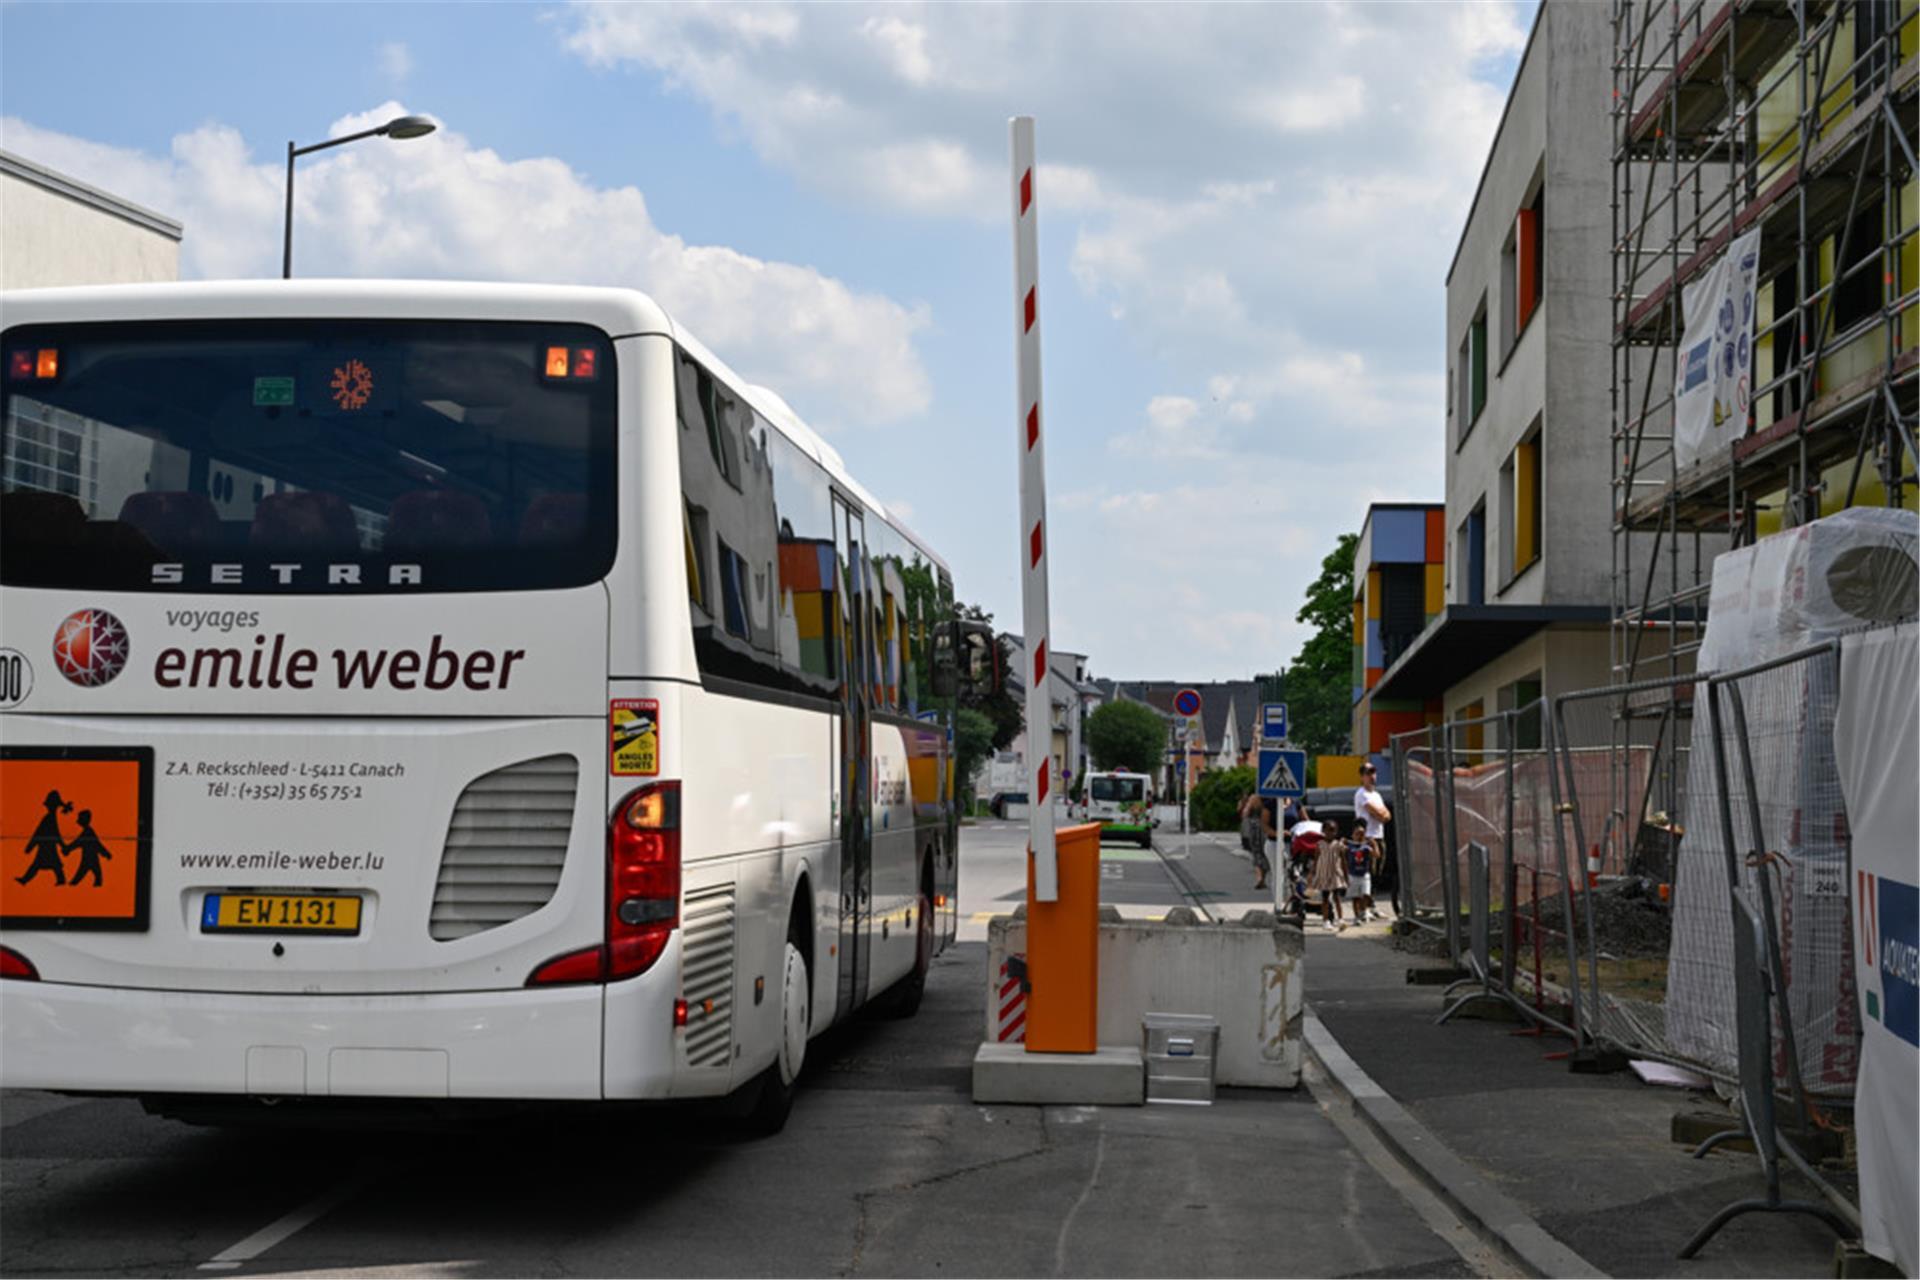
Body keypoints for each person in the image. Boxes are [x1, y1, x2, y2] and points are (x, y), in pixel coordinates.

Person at [1354, 762, 1393, 917]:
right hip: (1368, 838)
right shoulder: (1361, 794)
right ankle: (1363, 908)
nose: (1372, 776)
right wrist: (1381, 815)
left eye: (1373, 772)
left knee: (1377, 874)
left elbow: (1387, 815)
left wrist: (1382, 815)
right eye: (1368, 773)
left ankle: (1372, 905)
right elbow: (1377, 813)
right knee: (1367, 874)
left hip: (1379, 836)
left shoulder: (1377, 795)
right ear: (1362, 777)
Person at [18, 790, 72, 887]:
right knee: (46, 864)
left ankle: (25, 879)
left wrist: (31, 845)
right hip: (47, 845)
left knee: (40, 864)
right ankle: (25, 879)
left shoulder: (49, 818)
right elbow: (53, 834)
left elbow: (41, 833)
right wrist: (63, 845)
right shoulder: (50, 818)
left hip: (46, 846)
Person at [1308, 818, 1349, 932]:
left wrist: (1346, 876)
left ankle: (1340, 919)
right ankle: (1326, 921)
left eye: (1333, 830)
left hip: (1335, 874)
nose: (1331, 833)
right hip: (1324, 875)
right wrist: (1312, 873)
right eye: (1328, 830)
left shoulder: (1339, 845)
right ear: (1323, 831)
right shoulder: (1319, 845)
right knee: (1325, 898)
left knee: (1337, 897)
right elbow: (1316, 860)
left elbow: (1343, 861)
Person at [63, 809, 112, 889]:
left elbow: (94, 844)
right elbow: (79, 842)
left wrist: (67, 849)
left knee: (93, 876)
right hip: (91, 858)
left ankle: (72, 887)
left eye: (80, 818)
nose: (78, 820)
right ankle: (73, 886)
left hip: (89, 858)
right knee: (95, 877)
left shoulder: (88, 832)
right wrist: (106, 853)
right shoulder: (88, 831)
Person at [1345, 819, 1378, 922]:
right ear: (1353, 835)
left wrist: (1374, 844)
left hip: (1364, 874)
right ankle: (1357, 916)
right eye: (1357, 834)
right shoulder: (1350, 846)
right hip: (1353, 875)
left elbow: (1376, 855)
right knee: (1355, 897)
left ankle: (1363, 910)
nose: (1359, 836)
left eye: (1362, 834)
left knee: (1366, 894)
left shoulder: (1366, 846)